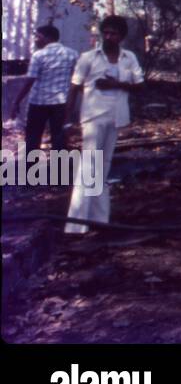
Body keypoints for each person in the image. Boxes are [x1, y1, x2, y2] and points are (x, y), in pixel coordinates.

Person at [64, 16, 144, 235]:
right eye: (105, 32)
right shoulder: (88, 57)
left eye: (113, 33)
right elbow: (74, 87)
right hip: (93, 117)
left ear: (121, 36)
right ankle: (76, 225)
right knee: (88, 167)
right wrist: (68, 120)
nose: (108, 37)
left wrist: (116, 84)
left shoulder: (129, 58)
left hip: (116, 118)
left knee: (103, 168)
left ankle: (99, 219)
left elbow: (139, 85)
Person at [13, 25, 79, 157]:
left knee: (33, 137)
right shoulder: (72, 54)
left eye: (38, 37)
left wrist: (16, 101)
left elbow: (29, 81)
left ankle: (31, 172)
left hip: (38, 103)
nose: (35, 40)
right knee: (58, 137)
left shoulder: (38, 55)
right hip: (60, 103)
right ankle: (58, 173)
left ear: (48, 38)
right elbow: (76, 79)